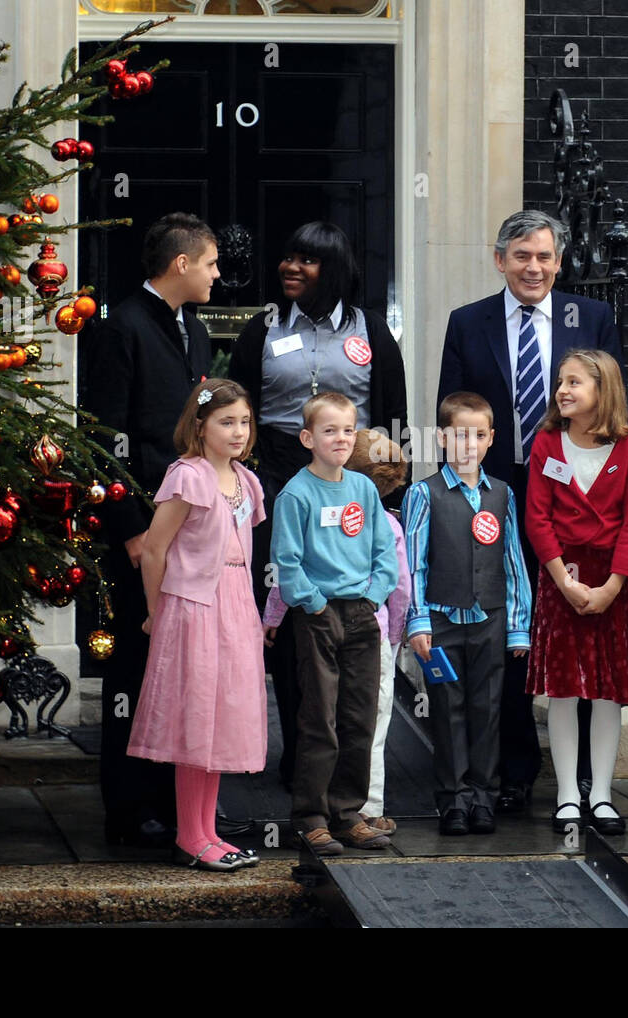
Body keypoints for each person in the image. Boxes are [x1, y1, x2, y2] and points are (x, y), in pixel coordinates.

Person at [436, 210, 622, 814]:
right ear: (500, 261)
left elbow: (613, 409)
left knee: (584, 622)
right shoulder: (467, 323)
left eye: (544, 256)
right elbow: (454, 412)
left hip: (578, 499)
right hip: (495, 493)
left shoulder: (589, 318)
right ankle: (516, 769)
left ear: (560, 261)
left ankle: (591, 777)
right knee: (508, 630)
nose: (533, 267)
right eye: (521, 256)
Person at [229, 222, 408, 789]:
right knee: (286, 609)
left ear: (331, 269)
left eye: (306, 261)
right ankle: (299, 752)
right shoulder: (260, 329)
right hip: (277, 475)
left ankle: (344, 761)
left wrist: (390, 499)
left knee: (344, 611)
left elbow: (393, 421)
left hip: (349, 480)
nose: (290, 268)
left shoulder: (372, 331)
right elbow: (238, 408)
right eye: (288, 258)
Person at [84, 212, 220, 848]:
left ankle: (176, 804)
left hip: (190, 527)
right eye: (212, 263)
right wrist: (133, 529)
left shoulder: (193, 331)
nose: (219, 275)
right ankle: (128, 807)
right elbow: (101, 438)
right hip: (143, 532)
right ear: (182, 264)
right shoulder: (119, 328)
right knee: (137, 667)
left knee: (185, 666)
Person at [126, 379, 267, 872]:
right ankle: (190, 837)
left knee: (220, 724)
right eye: (226, 422)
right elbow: (154, 549)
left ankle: (209, 833)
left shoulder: (247, 482)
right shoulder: (188, 476)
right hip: (192, 606)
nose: (237, 432)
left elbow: (240, 552)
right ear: (200, 426)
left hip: (234, 604)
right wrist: (156, 610)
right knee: (195, 723)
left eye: (244, 422)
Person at [262, 427, 411, 835]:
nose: (340, 438)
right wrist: (307, 605)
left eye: (348, 430)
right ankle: (314, 817)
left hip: (366, 622)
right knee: (320, 717)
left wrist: (373, 604)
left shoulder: (365, 497)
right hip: (324, 616)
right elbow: (288, 563)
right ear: (308, 438)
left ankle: (353, 812)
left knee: (361, 719)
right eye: (331, 430)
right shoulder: (298, 493)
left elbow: (391, 567)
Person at [524, 349, 628, 836]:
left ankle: (601, 794)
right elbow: (537, 516)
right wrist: (563, 581)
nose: (563, 390)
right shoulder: (547, 442)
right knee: (563, 689)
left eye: (575, 382)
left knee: (605, 693)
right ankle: (567, 796)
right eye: (561, 381)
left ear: (604, 390)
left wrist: (612, 586)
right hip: (561, 575)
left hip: (610, 579)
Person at [402, 392, 533, 836]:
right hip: (441, 623)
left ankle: (483, 798)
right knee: (447, 710)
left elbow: (513, 561)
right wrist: (417, 621)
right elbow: (414, 562)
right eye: (459, 435)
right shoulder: (424, 494)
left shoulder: (503, 494)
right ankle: (453, 800)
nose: (469, 444)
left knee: (487, 709)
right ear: (441, 438)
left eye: (478, 435)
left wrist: (518, 626)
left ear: (492, 439)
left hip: (490, 621)